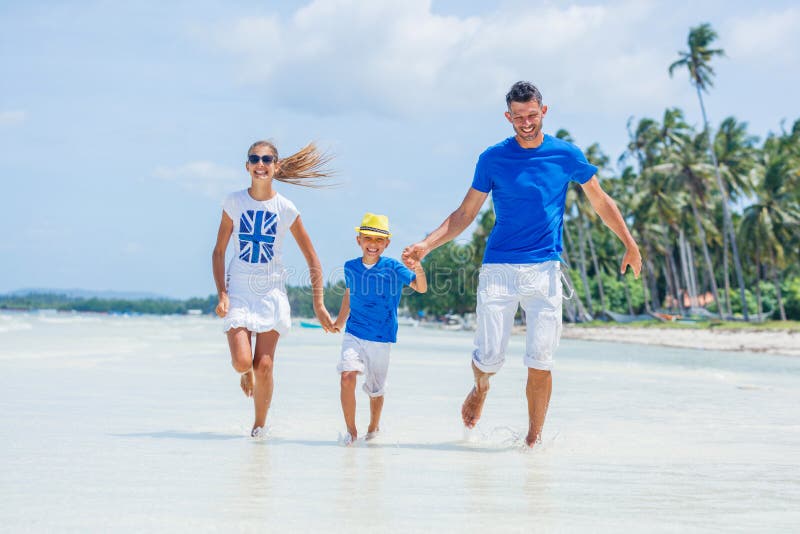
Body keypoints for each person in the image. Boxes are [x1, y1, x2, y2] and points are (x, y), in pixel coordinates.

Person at [402, 81, 642, 447]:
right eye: (518, 117)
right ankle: (481, 388)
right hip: (498, 269)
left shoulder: (566, 155)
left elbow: (600, 201)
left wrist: (629, 242)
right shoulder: (492, 158)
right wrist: (427, 244)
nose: (526, 123)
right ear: (508, 117)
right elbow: (465, 213)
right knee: (489, 358)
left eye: (531, 115)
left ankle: (533, 441)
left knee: (541, 359)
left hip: (545, 269)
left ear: (543, 111)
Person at [212, 140, 336, 438]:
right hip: (239, 289)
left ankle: (258, 427)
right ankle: (245, 374)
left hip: (270, 293)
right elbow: (218, 252)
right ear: (247, 166)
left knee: (264, 365)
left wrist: (319, 305)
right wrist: (222, 294)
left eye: (267, 159)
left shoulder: (286, 209)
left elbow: (312, 257)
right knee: (244, 361)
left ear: (276, 167)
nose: (260, 163)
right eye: (254, 158)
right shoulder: (234, 202)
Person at [333, 213, 427, 445]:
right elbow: (349, 294)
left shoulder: (394, 267)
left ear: (387, 243)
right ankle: (351, 432)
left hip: (381, 337)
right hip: (354, 332)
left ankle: (373, 427)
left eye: (378, 240)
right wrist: (339, 321)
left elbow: (421, 288)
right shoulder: (350, 267)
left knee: (376, 390)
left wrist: (418, 267)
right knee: (347, 376)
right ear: (359, 240)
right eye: (368, 239)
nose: (372, 244)